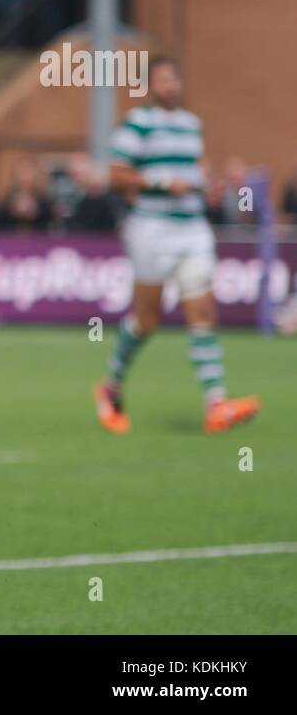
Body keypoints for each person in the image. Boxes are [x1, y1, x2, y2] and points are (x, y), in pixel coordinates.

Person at [94, 57, 259, 435]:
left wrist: (210, 185)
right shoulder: (138, 122)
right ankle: (111, 385)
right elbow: (116, 175)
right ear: (151, 86)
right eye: (161, 80)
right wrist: (163, 182)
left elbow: (195, 170)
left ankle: (216, 404)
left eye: (173, 79)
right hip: (152, 228)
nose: (169, 85)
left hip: (192, 228)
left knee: (202, 311)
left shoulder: (191, 124)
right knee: (147, 320)